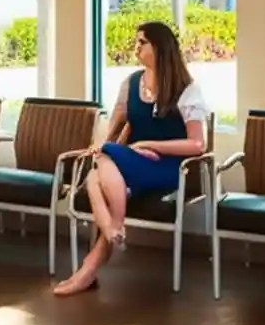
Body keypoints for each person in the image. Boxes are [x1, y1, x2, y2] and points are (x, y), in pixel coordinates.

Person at [53, 21, 209, 296]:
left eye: (141, 43)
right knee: (96, 168)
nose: (135, 48)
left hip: (169, 169)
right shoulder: (131, 84)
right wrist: (102, 147)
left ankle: (110, 234)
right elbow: (112, 128)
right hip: (134, 164)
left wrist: (149, 145)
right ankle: (106, 240)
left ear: (159, 47)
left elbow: (197, 144)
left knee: (105, 158)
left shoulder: (187, 90)